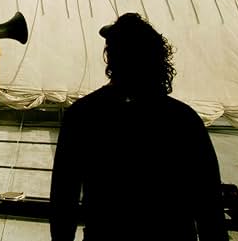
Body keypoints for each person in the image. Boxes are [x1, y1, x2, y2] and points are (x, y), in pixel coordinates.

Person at [49, 12, 228, 241]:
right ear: (158, 60)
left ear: (110, 57)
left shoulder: (82, 114)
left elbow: (64, 199)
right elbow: (209, 204)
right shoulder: (184, 119)